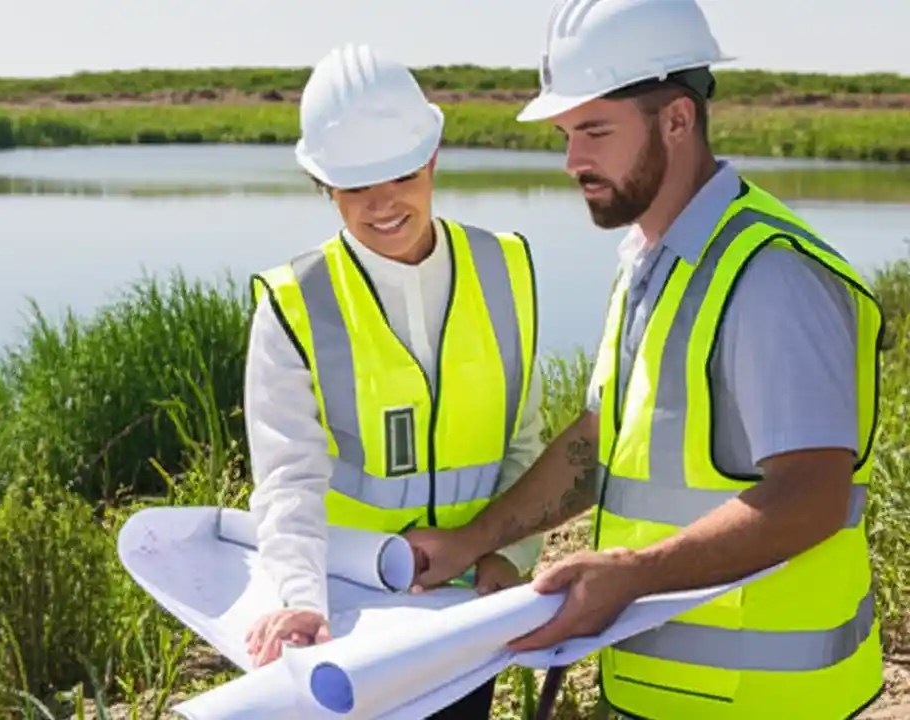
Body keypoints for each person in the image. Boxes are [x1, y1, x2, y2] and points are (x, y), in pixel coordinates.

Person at [404, 1, 887, 718]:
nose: (573, 161)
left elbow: (810, 496)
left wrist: (633, 576)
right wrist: (472, 540)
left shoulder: (771, 277)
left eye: (595, 131)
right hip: (665, 694)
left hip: (767, 705)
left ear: (679, 120)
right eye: (568, 134)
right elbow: (597, 445)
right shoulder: (648, 264)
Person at [241, 42, 547, 717]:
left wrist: (510, 556)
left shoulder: (507, 270)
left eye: (401, 177)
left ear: (432, 159)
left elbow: (523, 442)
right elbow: (287, 482)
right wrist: (297, 600)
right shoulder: (293, 306)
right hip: (348, 621)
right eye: (355, 187)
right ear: (324, 185)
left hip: (468, 611)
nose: (383, 205)